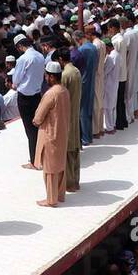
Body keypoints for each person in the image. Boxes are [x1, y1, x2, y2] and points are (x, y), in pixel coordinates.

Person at [34, 59, 71, 207]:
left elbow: (38, 116)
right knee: (60, 166)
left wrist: (36, 121)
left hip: (50, 134)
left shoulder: (51, 94)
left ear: (52, 76)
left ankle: (51, 199)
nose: (45, 78)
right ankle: (60, 195)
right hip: (62, 132)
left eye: (46, 76)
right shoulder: (64, 91)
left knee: (50, 169)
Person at [13, 32, 45, 168]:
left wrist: (16, 85)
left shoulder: (23, 59)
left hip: (25, 97)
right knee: (38, 127)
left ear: (20, 46)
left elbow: (16, 79)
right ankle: (41, 156)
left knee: (30, 130)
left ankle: (34, 161)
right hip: (37, 95)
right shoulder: (40, 56)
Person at [61, 42, 83, 192]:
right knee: (75, 149)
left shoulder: (65, 74)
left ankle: (69, 183)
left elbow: (61, 95)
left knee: (68, 150)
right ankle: (76, 180)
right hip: (75, 113)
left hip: (67, 115)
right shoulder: (76, 71)